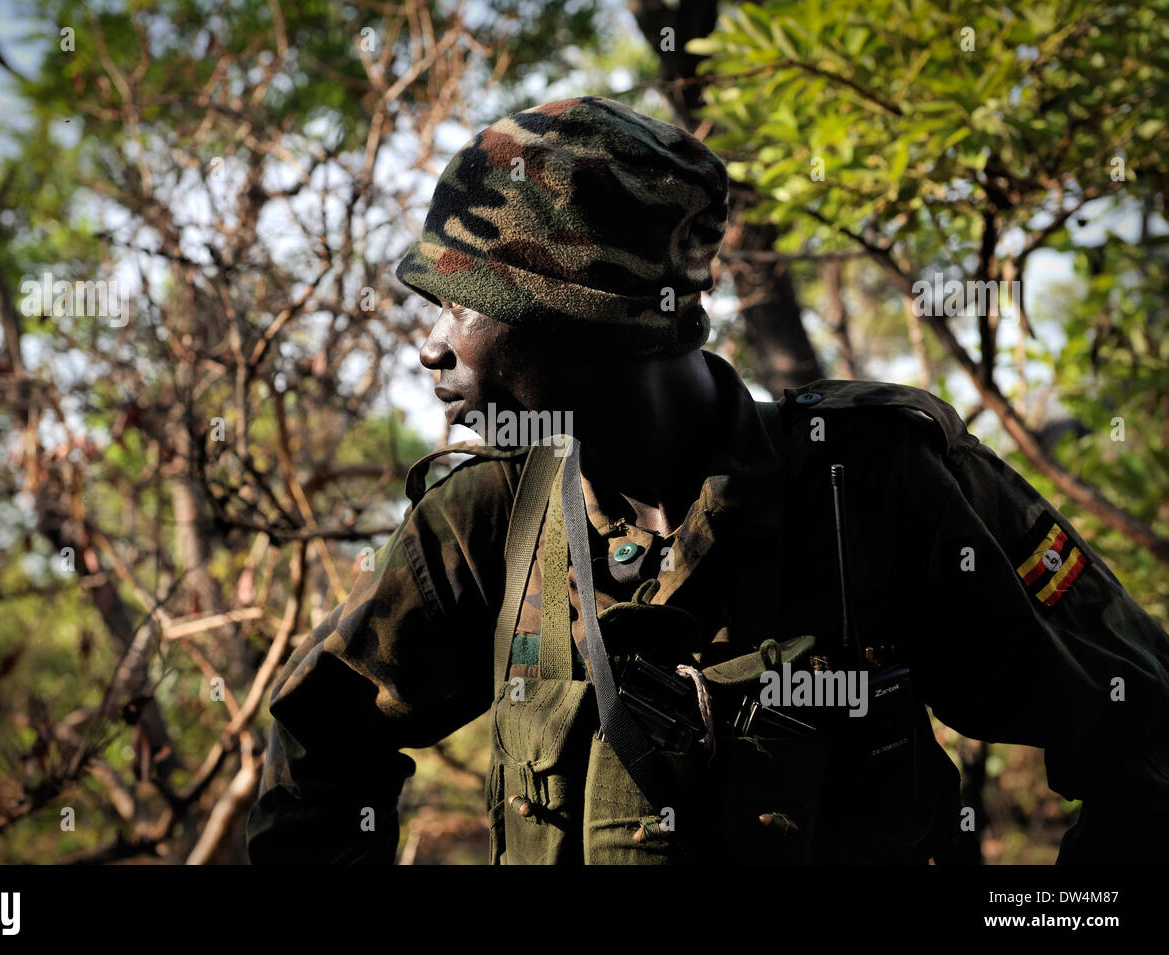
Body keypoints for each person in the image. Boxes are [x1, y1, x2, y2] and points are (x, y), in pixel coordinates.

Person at [246, 96, 1169, 864]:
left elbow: (1142, 729)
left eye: (465, 302)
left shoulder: (872, 483)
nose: (431, 346)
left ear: (590, 317)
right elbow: (323, 736)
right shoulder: (489, 516)